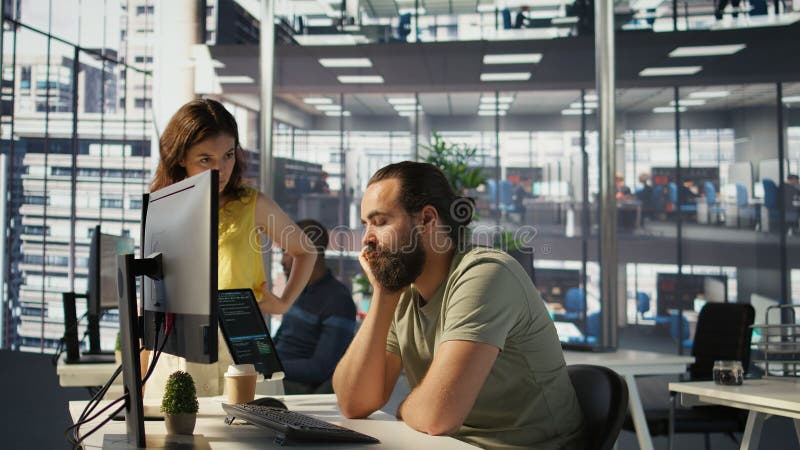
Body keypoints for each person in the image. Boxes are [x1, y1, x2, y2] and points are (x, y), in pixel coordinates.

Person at [333, 161, 585, 450]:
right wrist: (382, 294)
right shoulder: (403, 290)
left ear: (427, 219)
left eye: (379, 222)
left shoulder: (485, 274)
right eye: (366, 225)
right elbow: (354, 402)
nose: (366, 239)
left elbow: (435, 417)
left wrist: (403, 408)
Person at [143, 99, 316, 399]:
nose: (220, 169)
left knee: (248, 440)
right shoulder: (163, 207)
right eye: (205, 159)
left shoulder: (252, 204)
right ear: (181, 157)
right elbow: (152, 294)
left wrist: (284, 303)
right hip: (179, 347)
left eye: (228, 155)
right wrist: (141, 372)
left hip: (240, 344)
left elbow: (305, 250)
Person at [274, 219, 356, 394]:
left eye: (287, 252)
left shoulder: (338, 300)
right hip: (277, 376)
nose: (282, 261)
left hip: (299, 387)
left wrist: (269, 368)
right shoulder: (297, 290)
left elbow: (321, 368)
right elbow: (280, 342)